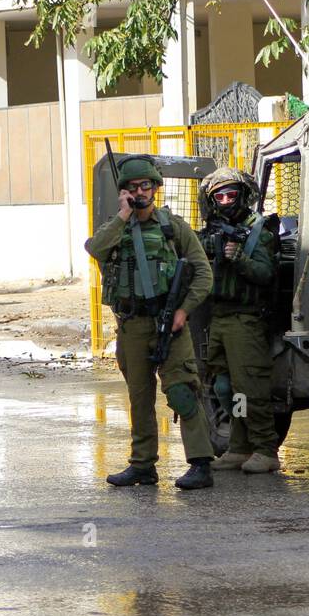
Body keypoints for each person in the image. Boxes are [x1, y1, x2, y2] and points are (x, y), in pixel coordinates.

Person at [85, 157, 218, 490]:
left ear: (156, 189)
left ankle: (200, 464)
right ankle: (143, 465)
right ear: (124, 193)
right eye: (132, 187)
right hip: (131, 326)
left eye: (146, 186)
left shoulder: (173, 227)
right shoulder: (115, 229)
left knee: (182, 391)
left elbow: (203, 273)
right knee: (139, 399)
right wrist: (123, 215)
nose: (140, 192)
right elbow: (93, 248)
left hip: (169, 323)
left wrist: (184, 310)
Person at [197, 167, 282, 474]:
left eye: (231, 194)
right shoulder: (212, 231)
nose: (225, 200)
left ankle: (266, 449)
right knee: (224, 387)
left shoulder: (257, 230)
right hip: (218, 317)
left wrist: (240, 258)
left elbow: (265, 273)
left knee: (249, 387)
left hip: (245, 319)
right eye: (219, 195)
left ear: (243, 195)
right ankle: (239, 445)